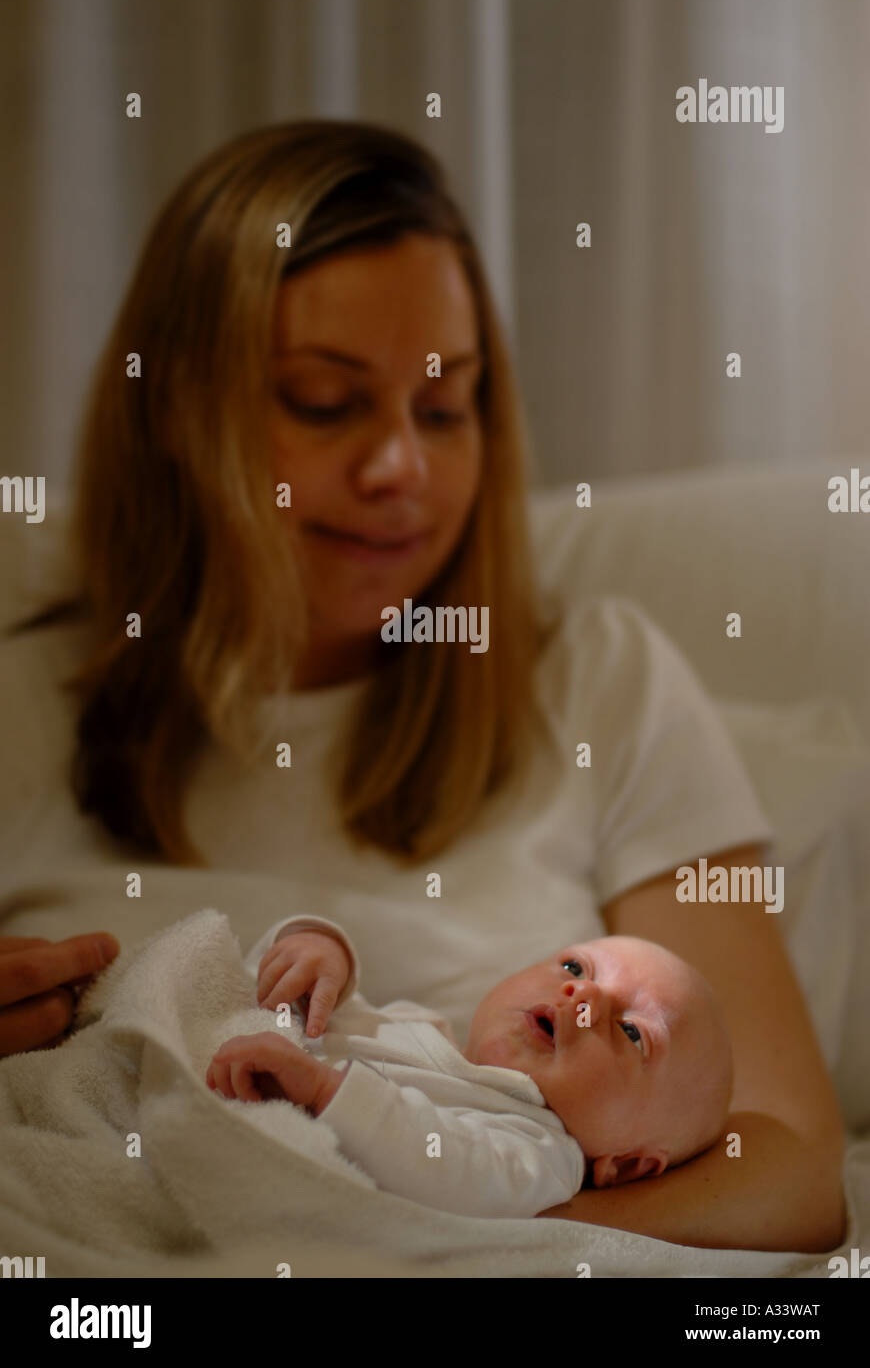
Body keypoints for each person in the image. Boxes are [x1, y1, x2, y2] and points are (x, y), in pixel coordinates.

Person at [0, 118, 845, 1253]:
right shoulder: (23, 703)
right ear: (174, 412)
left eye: (445, 408)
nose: (401, 465)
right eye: (324, 399)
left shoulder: (604, 686)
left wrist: (415, 1222)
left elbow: (785, 1164)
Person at [205, 910, 734, 1219]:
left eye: (631, 1031)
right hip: (209, 1047)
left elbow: (450, 1171)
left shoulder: (541, 1150)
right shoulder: (420, 1024)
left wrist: (326, 1090)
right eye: (575, 965)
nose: (584, 991)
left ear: (629, 1165)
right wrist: (322, 953)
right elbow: (289, 999)